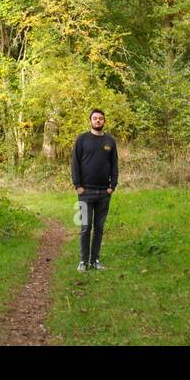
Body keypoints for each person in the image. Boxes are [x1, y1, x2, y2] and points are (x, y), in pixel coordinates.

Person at [71, 108, 119, 271]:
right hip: (85, 193)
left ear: (104, 121)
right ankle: (83, 261)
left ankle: (95, 260)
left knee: (99, 228)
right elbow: (75, 163)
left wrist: (112, 187)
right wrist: (77, 186)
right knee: (85, 227)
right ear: (90, 121)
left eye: (101, 118)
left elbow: (114, 165)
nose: (98, 121)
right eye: (95, 118)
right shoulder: (82, 139)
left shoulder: (110, 141)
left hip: (104, 193)